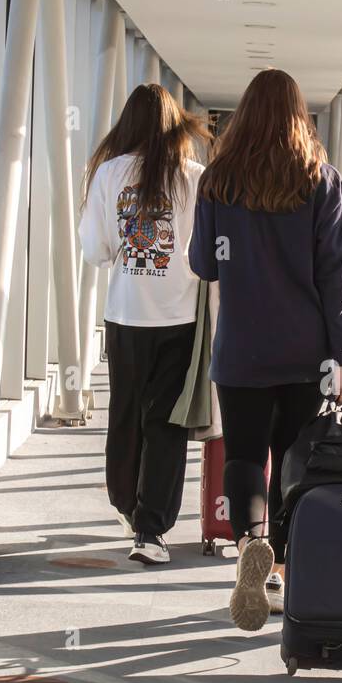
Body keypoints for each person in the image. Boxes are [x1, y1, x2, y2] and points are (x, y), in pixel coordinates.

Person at [190, 68, 342, 631]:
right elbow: (336, 277)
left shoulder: (218, 182)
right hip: (303, 351)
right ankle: (281, 572)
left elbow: (203, 263)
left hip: (242, 347)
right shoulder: (322, 181)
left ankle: (248, 545)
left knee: (243, 455)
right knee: (292, 461)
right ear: (299, 116)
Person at [79, 83, 209, 565]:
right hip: (179, 316)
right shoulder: (196, 177)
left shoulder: (109, 174)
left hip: (126, 315)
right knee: (166, 423)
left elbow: (95, 251)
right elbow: (205, 255)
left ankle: (127, 505)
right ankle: (152, 531)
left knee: (127, 413)